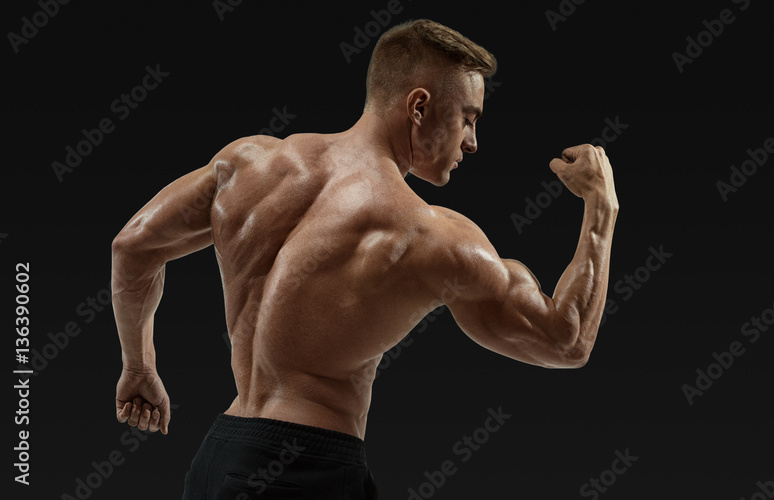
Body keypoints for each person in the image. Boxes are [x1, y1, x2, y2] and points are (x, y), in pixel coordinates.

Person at [111, 19, 618, 499]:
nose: (473, 141)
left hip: (218, 457)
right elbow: (565, 340)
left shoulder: (247, 164)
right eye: (468, 118)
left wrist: (139, 367)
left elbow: (133, 246)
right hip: (304, 471)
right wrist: (601, 207)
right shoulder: (431, 235)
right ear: (418, 107)